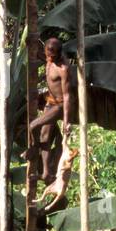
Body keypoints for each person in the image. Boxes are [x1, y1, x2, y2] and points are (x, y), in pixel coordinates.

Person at [30, 36, 76, 183]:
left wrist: (67, 121)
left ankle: (32, 149)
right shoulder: (47, 59)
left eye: (53, 55)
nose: (50, 58)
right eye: (48, 55)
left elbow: (68, 96)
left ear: (59, 53)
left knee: (33, 125)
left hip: (60, 105)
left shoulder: (63, 68)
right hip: (50, 103)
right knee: (44, 137)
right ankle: (45, 173)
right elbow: (34, 47)